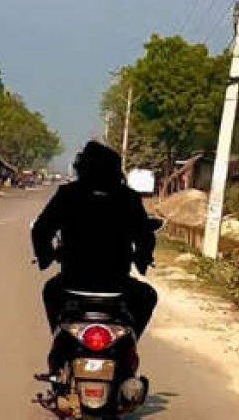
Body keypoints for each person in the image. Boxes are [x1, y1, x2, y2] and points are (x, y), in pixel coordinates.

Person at [31, 141, 158, 368]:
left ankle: (62, 343)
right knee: (148, 295)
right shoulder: (129, 198)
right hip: (117, 285)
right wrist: (142, 259)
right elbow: (145, 237)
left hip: (72, 282)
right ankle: (127, 347)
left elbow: (41, 229)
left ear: (81, 167)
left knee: (50, 290)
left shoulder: (67, 194)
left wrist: (46, 256)